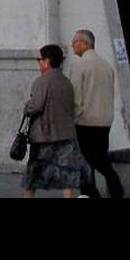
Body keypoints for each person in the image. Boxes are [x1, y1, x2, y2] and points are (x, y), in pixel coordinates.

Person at [68, 29, 124, 198]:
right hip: (104, 120)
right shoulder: (106, 66)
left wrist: (74, 117)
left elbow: (76, 96)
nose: (72, 46)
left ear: (85, 43)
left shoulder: (79, 66)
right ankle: (116, 190)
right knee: (101, 159)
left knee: (86, 162)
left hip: (86, 121)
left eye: (75, 42)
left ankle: (91, 194)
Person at [21, 44, 82, 198]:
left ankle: (28, 197)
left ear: (47, 61)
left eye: (40, 59)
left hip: (44, 135)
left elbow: (36, 106)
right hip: (66, 133)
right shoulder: (66, 82)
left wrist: (27, 105)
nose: (39, 63)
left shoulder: (41, 82)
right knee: (66, 172)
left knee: (34, 170)